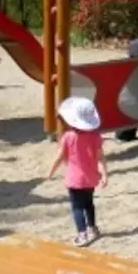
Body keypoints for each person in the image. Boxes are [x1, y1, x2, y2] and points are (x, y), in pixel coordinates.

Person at [47, 96, 108, 247]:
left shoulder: (68, 137)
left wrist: (50, 171)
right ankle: (93, 228)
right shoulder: (95, 136)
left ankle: (82, 234)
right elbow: (100, 158)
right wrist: (105, 174)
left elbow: (59, 157)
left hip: (74, 179)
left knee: (77, 207)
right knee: (89, 203)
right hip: (90, 178)